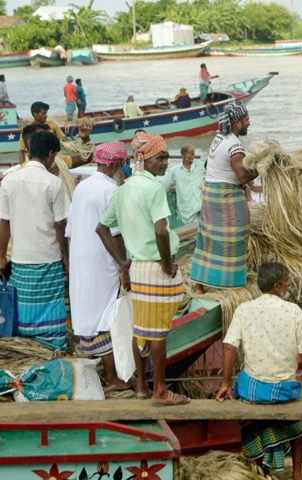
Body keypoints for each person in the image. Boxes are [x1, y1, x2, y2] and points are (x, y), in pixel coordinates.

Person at [97, 133, 188, 406]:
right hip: (156, 266)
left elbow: (102, 228)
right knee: (158, 331)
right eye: (161, 157)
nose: (165, 162)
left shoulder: (124, 188)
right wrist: (168, 264)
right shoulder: (154, 189)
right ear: (145, 159)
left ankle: (141, 385)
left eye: (166, 156)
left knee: (142, 330)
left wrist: (124, 262)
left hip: (137, 267)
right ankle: (160, 391)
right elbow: (161, 230)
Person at [216, 262, 302, 479]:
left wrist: (226, 383)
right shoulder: (293, 311)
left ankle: (260, 472)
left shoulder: (243, 309)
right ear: (277, 286)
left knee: (250, 417)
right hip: (284, 391)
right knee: (298, 430)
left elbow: (229, 346)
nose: (289, 283)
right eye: (287, 280)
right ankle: (296, 474)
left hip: (253, 391)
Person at [66, 141, 132, 390]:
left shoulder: (83, 186)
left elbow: (71, 229)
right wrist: (124, 265)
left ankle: (105, 370)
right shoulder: (111, 190)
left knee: (90, 311)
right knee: (108, 315)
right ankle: (113, 377)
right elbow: (114, 232)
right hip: (104, 259)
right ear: (116, 164)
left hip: (82, 256)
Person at [0, 131, 70, 351]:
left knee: (22, 308)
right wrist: (66, 257)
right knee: (50, 307)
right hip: (48, 258)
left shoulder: (9, 180)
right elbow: (60, 225)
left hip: (21, 258)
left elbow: (4, 223)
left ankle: (26, 347)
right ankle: (52, 348)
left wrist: (1, 256)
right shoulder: (53, 183)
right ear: (50, 154)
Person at [191, 102, 257, 291]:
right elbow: (243, 176)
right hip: (227, 196)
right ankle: (230, 284)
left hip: (210, 194)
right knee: (235, 236)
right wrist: (261, 169)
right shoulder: (234, 145)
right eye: (246, 120)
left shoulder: (219, 137)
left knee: (208, 237)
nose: (249, 123)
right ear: (236, 123)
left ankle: (199, 285)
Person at [160, 144, 205, 227]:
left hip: (201, 206)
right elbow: (163, 186)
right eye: (191, 154)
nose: (193, 156)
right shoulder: (175, 171)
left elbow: (211, 175)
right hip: (187, 210)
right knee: (194, 235)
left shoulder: (200, 166)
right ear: (184, 156)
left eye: (194, 153)